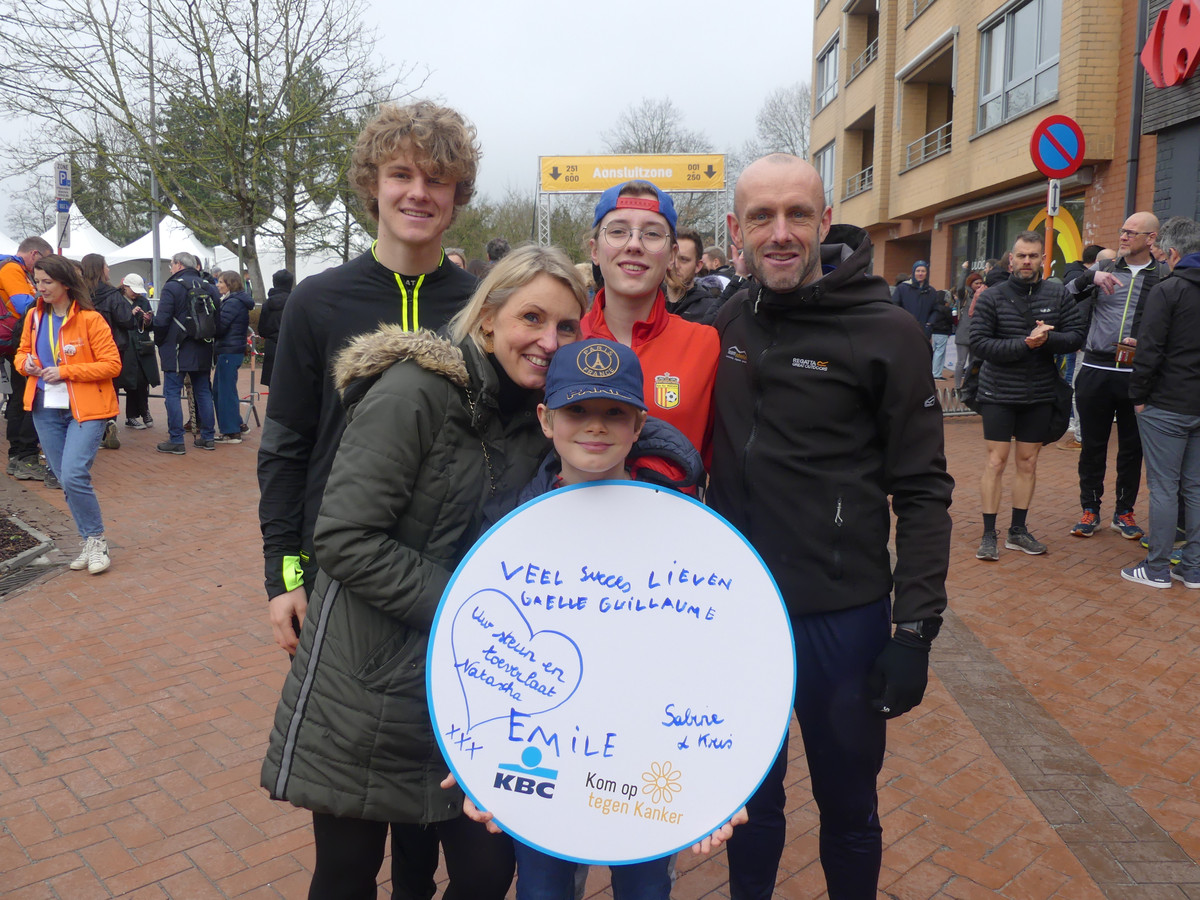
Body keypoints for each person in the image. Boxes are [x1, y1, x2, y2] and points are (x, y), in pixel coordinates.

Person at [261, 245, 589, 900]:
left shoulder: (540, 418)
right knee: (349, 873)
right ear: (490, 318)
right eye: (533, 318)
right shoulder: (415, 391)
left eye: (567, 327)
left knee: (485, 873)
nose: (549, 341)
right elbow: (345, 537)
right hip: (366, 681)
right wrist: (472, 610)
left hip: (472, 692)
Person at [708, 153, 954, 899]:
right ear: (736, 229)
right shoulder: (724, 321)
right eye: (761, 217)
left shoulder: (886, 330)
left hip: (840, 618)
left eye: (796, 215)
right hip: (738, 610)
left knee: (849, 806)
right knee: (752, 802)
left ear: (823, 220)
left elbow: (922, 490)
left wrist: (914, 630)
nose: (780, 234)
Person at [257, 100, 483, 899]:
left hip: (450, 592)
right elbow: (284, 450)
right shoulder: (320, 302)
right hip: (347, 586)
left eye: (438, 178)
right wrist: (285, 579)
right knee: (347, 855)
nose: (418, 192)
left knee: (434, 829)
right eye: (401, 175)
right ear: (373, 185)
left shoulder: (480, 304)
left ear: (458, 195)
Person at [455, 338, 741, 900]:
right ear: (545, 419)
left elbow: (719, 660)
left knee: (645, 889)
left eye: (615, 413)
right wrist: (473, 762)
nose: (595, 427)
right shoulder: (506, 528)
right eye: (577, 411)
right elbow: (477, 655)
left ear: (639, 425)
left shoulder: (687, 532)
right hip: (538, 765)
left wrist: (726, 777)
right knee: (541, 889)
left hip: (647, 767)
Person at [581, 181, 719, 458]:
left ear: (672, 255)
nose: (634, 244)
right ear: (595, 251)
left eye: (652, 234)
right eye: (618, 231)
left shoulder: (705, 345)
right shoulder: (563, 341)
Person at [970, 231, 1086, 560]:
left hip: (1038, 391)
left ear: (1042, 261)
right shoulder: (992, 296)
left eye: (1033, 256)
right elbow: (980, 345)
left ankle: (1017, 531)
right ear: (1011, 260)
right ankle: (989, 532)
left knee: (1028, 462)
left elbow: (1077, 335)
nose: (1026, 262)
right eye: (1021, 256)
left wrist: (1046, 340)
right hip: (998, 391)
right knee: (996, 461)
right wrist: (1025, 344)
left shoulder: (1057, 294)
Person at [14, 254, 121, 574]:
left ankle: (97, 540)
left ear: (65, 283)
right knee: (64, 479)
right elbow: (21, 354)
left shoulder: (91, 319)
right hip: (45, 409)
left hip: (85, 409)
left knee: (74, 474)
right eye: (37, 280)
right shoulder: (34, 317)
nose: (39, 287)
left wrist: (66, 371)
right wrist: (26, 365)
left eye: (47, 282)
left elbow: (112, 364)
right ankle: (89, 540)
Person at [1065, 211, 1169, 539]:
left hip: (1137, 374)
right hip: (1095, 369)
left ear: (1151, 239)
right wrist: (1088, 278)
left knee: (1131, 447)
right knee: (1093, 445)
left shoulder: (1164, 275)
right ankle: (1089, 509)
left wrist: (1148, 342)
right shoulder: (1104, 267)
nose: (1123, 237)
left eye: (1131, 233)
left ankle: (1124, 512)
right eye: (1122, 231)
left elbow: (1174, 323)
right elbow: (1063, 296)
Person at [1123, 216, 1200, 588]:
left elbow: (1149, 349)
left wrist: (1138, 396)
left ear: (1172, 253)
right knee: (1196, 487)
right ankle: (1194, 567)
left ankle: (1156, 568)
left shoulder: (1168, 291)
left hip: (1167, 404)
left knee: (1165, 487)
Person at [153, 251, 220, 453]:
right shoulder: (209, 287)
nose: (170, 269)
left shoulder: (172, 287)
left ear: (179, 265)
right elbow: (218, 319)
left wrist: (159, 340)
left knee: (172, 392)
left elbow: (162, 320)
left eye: (171, 265)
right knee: (203, 391)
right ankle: (208, 437)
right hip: (203, 346)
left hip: (176, 348)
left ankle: (176, 440)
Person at [1, 236, 53, 483]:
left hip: (14, 342)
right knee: (26, 399)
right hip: (17, 342)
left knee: (19, 398)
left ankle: (18, 457)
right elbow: (25, 305)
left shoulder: (13, 269)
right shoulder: (12, 269)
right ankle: (25, 457)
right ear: (34, 254)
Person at [81, 254, 137, 453]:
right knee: (109, 388)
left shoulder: (79, 293)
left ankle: (88, 427)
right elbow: (126, 321)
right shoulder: (113, 294)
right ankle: (109, 424)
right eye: (106, 266)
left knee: (85, 388)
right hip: (110, 347)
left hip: (83, 348)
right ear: (99, 269)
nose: (109, 269)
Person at [212, 270, 254, 443]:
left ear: (230, 284)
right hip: (232, 350)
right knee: (223, 390)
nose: (218, 285)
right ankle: (237, 424)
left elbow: (220, 327)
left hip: (228, 351)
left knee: (224, 391)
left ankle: (231, 431)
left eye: (221, 282)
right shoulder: (236, 301)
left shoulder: (232, 303)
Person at [119, 274, 157, 429]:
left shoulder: (143, 301)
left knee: (143, 379)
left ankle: (143, 410)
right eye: (132, 290)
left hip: (142, 344)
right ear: (125, 287)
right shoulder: (118, 300)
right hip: (126, 344)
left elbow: (149, 324)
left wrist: (147, 320)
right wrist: (130, 315)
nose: (135, 294)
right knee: (130, 380)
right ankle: (132, 415)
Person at [664, 227, 721, 325]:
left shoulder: (710, 312)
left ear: (698, 266)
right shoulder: (647, 304)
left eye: (684, 259)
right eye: (670, 257)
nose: (675, 265)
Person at [257, 269, 292, 387]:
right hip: (290, 346)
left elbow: (262, 329)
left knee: (273, 385)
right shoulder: (295, 301)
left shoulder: (268, 303)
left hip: (272, 346)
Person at [953, 272, 984, 389]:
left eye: (981, 283)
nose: (979, 285)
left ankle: (969, 385)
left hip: (976, 333)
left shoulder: (984, 296)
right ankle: (957, 387)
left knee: (973, 362)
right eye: (976, 283)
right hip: (963, 333)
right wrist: (963, 270)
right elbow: (960, 288)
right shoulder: (965, 295)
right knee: (961, 362)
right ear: (970, 284)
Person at [892, 260, 937, 336]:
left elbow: (935, 310)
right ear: (913, 272)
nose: (920, 274)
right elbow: (895, 307)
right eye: (918, 271)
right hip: (904, 330)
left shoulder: (931, 291)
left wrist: (929, 324)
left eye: (923, 271)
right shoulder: (902, 288)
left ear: (926, 273)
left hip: (923, 332)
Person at [928, 288, 954, 379]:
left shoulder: (933, 308)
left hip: (933, 332)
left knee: (934, 352)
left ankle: (931, 372)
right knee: (940, 352)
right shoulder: (946, 309)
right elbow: (951, 320)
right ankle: (936, 373)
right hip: (942, 332)